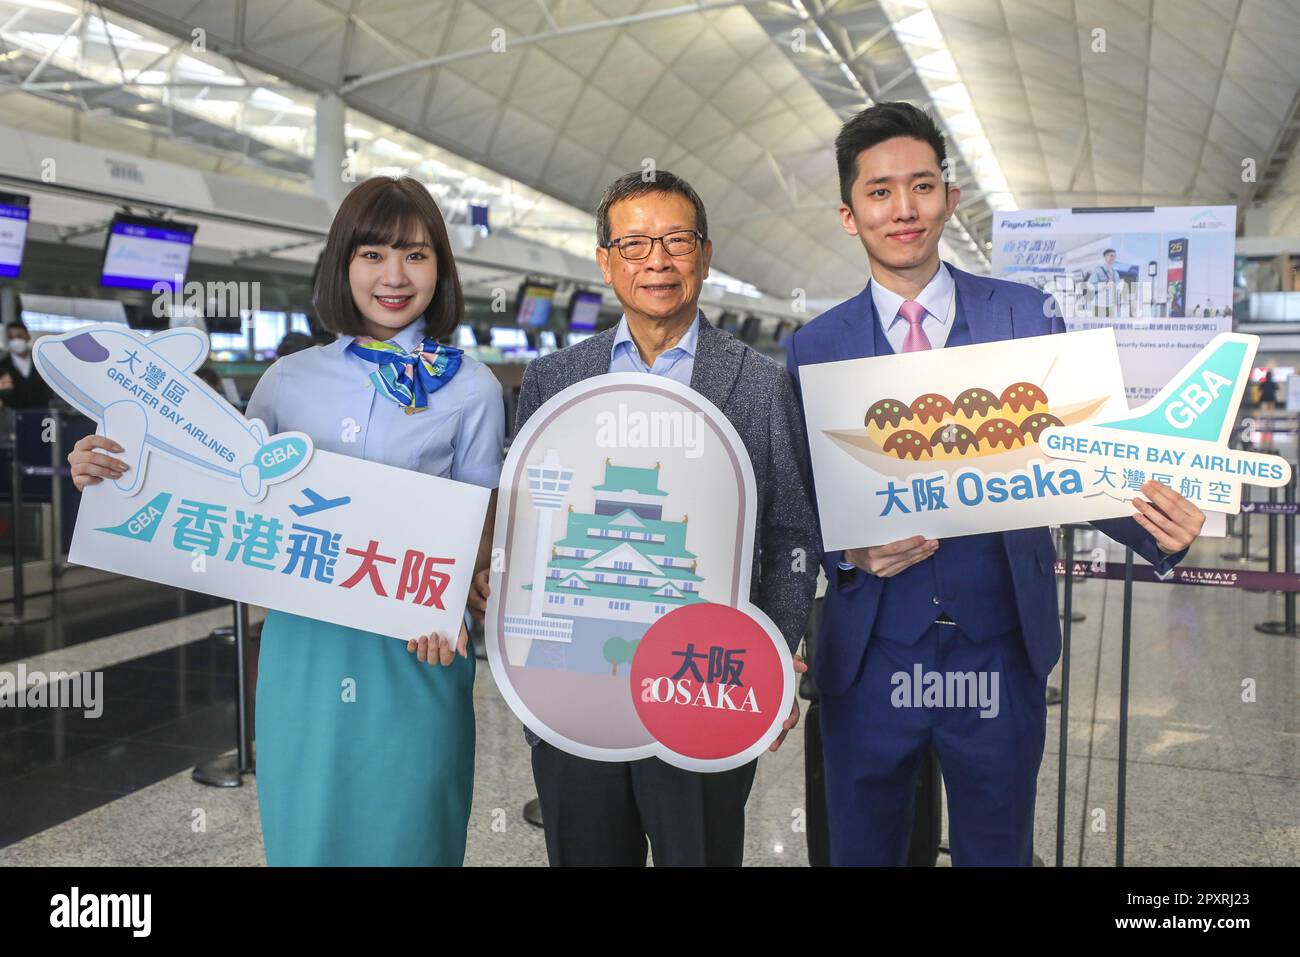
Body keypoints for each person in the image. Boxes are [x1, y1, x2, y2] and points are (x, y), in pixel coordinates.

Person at [786, 102, 1206, 866]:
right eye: (879, 192)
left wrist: (1157, 522)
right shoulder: (814, 346)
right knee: (864, 849)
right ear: (849, 215)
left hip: (999, 651)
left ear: (951, 197)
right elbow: (797, 500)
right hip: (871, 653)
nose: (903, 209)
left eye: (921, 186)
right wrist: (847, 551)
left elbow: (1074, 453)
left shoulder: (1025, 314)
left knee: (997, 850)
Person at [68, 176, 504, 865]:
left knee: (411, 832)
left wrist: (459, 600)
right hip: (306, 644)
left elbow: (481, 522)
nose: (394, 275)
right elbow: (216, 484)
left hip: (415, 647)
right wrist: (113, 467)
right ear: (342, 263)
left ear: (441, 269)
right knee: (310, 834)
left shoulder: (472, 387)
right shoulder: (287, 380)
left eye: (416, 255)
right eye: (372, 254)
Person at [471, 170, 821, 866]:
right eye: (633, 243)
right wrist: (496, 574)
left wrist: (773, 657)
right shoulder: (556, 376)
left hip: (705, 684)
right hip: (571, 688)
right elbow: (530, 514)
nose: (655, 260)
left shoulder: (758, 380)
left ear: (705, 252)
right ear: (605, 259)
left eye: (675, 240)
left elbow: (790, 530)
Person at [0, 321, 55, 409]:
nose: (15, 341)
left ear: (28, 337)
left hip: (41, 415)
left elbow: (49, 391)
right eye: (11, 338)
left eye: (19, 336)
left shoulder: (41, 362)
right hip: (13, 418)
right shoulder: (3, 366)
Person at [1089, 248, 1121, 317]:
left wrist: (1118, 304)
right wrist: (1103, 285)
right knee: (1099, 326)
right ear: (1105, 257)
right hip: (1099, 305)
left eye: (1114, 256)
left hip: (1111, 306)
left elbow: (1117, 290)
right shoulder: (1098, 270)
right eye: (1111, 256)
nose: (1113, 258)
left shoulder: (1116, 274)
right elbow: (1090, 286)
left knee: (1110, 326)